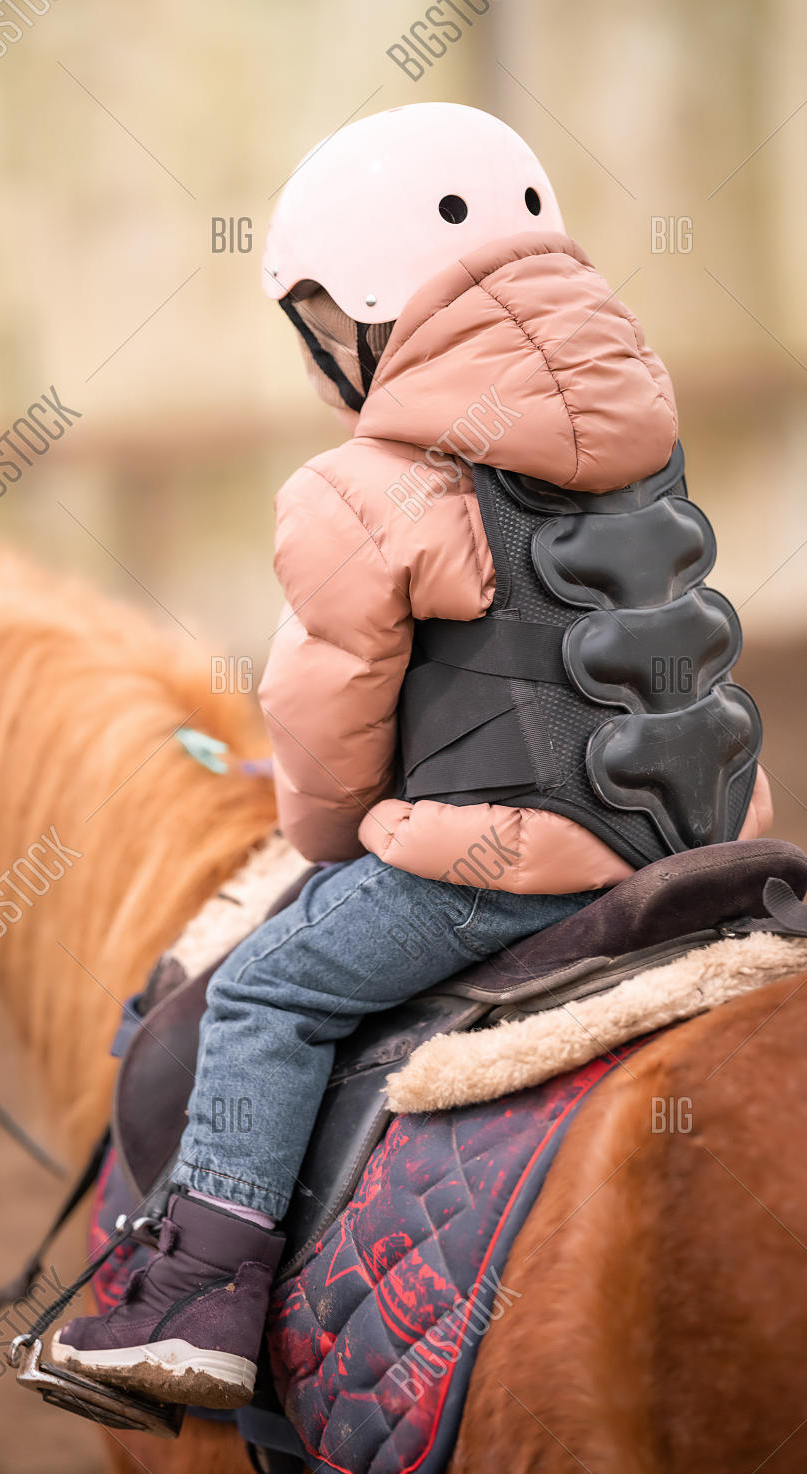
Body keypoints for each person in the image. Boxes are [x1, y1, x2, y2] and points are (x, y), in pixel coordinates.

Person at [52, 103, 770, 1407]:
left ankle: (199, 1296)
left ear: (373, 305)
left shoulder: (357, 489)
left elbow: (324, 756)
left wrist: (342, 837)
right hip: (709, 825)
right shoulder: (639, 433)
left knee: (270, 991)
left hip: (508, 861)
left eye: (329, 324)